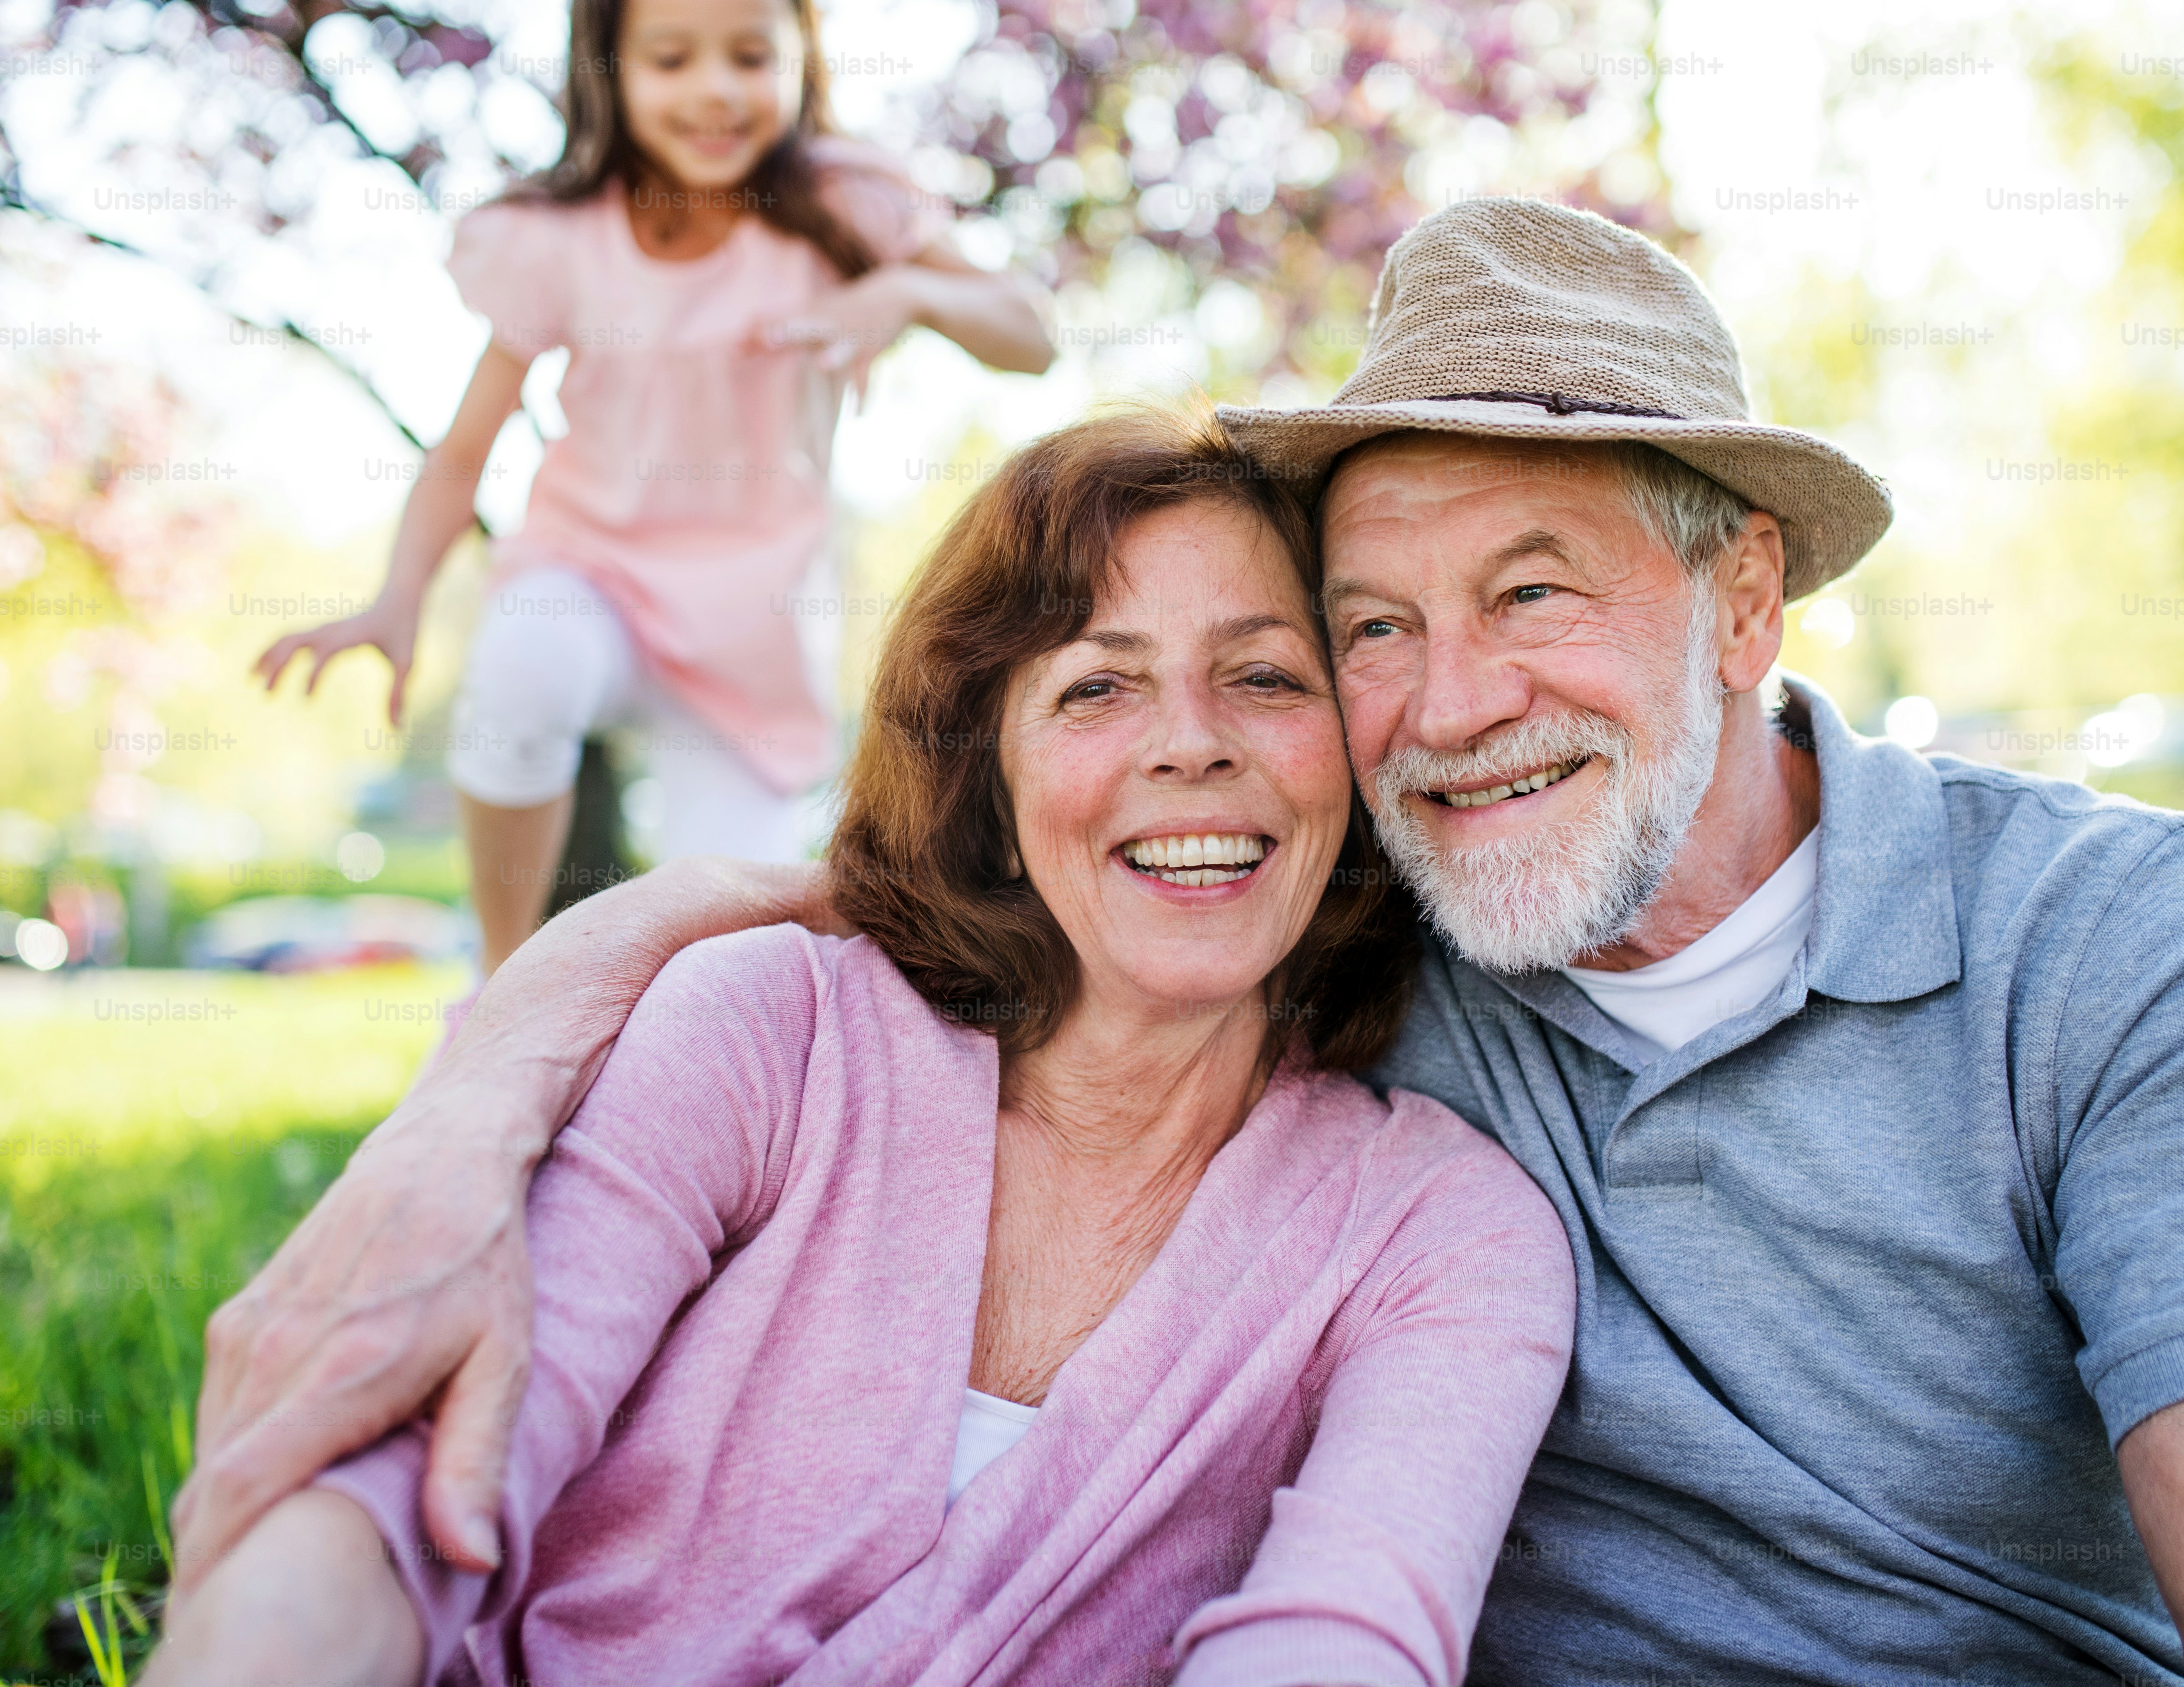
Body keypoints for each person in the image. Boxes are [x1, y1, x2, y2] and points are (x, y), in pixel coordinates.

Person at [178, 200, 2184, 1685]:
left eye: (1531, 592)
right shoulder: (1363, 941)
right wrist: (481, 1093)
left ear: (1741, 596)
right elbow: (910, 904)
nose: (1444, 707)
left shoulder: (2099, 937)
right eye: (1369, 626)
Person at [146, 409, 1575, 1685]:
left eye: (1264, 676)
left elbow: (1348, 1632)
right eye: (1095, 686)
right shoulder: (775, 1031)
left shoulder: (1443, 1231)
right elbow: (415, 1482)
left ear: (1360, 751)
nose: (1189, 743)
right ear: (991, 765)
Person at [253, 0, 1054, 977]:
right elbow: (462, 452)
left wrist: (910, 294)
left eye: (749, 55)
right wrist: (398, 596)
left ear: (799, 54)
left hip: (750, 634)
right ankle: (498, 986)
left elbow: (1031, 334)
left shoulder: (843, 205)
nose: (715, 92)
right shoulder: (560, 237)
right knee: (521, 659)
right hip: (594, 583)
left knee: (722, 958)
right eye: (671, 58)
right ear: (610, 63)